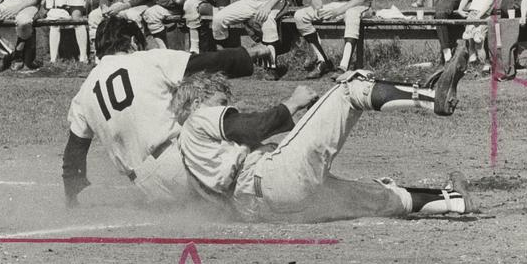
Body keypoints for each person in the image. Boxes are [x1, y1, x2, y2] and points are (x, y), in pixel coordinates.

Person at [172, 48, 476, 223]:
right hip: (274, 180)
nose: (227, 106)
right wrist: (291, 102)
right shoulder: (198, 119)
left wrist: (311, 116)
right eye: (220, 101)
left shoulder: (188, 156)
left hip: (272, 208)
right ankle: (430, 94)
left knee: (377, 197)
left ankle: (453, 201)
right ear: (196, 101)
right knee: (350, 89)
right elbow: (252, 127)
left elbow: (283, 135)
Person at [61, 15, 273, 207]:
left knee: (209, 210)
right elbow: (209, 63)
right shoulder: (147, 59)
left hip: (146, 187)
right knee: (256, 167)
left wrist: (72, 200)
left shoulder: (84, 92)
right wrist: (252, 53)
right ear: (133, 42)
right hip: (179, 163)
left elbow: (74, 156)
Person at [457, 0, 496, 73]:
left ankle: (485, 65)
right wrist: (460, 8)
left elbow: (490, 2)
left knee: (479, 41)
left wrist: (479, 16)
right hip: (472, 14)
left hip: (483, 15)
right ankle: (473, 61)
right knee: (469, 39)